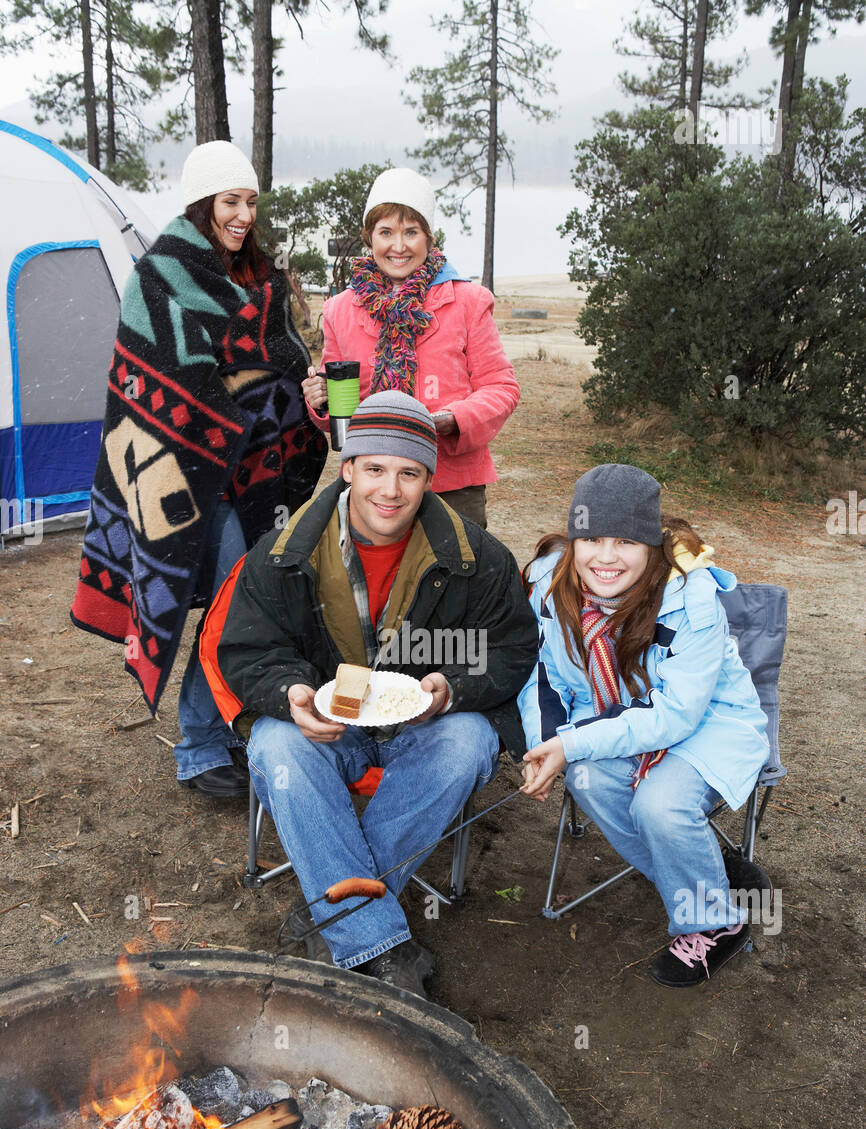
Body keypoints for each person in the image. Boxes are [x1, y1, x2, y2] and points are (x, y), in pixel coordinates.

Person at [216, 390, 538, 995]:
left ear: (428, 480)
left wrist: (453, 686)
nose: (390, 490)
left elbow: (513, 648)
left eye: (409, 473)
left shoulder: (477, 558)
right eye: (375, 469)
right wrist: (292, 695)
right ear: (348, 470)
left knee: (470, 738)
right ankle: (380, 944)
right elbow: (248, 653)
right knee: (276, 748)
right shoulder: (283, 553)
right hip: (328, 726)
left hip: (421, 724)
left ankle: (336, 914)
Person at [71, 140, 327, 796]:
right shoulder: (161, 275)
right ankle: (201, 746)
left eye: (249, 202)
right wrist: (236, 387)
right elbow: (149, 377)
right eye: (230, 201)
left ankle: (221, 734)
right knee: (234, 604)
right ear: (202, 203)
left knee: (242, 606)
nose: (242, 215)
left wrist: (307, 387)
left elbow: (283, 358)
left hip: (255, 477)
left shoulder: (264, 279)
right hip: (185, 477)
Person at [518, 463, 771, 987]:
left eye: (626, 541)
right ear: (573, 538)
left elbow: (676, 711)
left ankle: (717, 922)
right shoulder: (548, 583)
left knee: (660, 804)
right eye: (591, 538)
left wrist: (573, 741)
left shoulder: (691, 599)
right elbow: (541, 678)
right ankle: (708, 878)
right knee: (584, 776)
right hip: (611, 716)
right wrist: (545, 745)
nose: (605, 558)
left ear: (651, 546)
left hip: (704, 722)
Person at [301, 167, 519, 530]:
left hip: (451, 486)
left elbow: (502, 388)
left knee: (455, 583)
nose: (398, 246)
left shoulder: (468, 302)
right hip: (371, 486)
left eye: (411, 233)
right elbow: (341, 413)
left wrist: (453, 420)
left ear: (428, 238)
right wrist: (321, 399)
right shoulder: (340, 309)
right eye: (386, 232)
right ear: (370, 237)